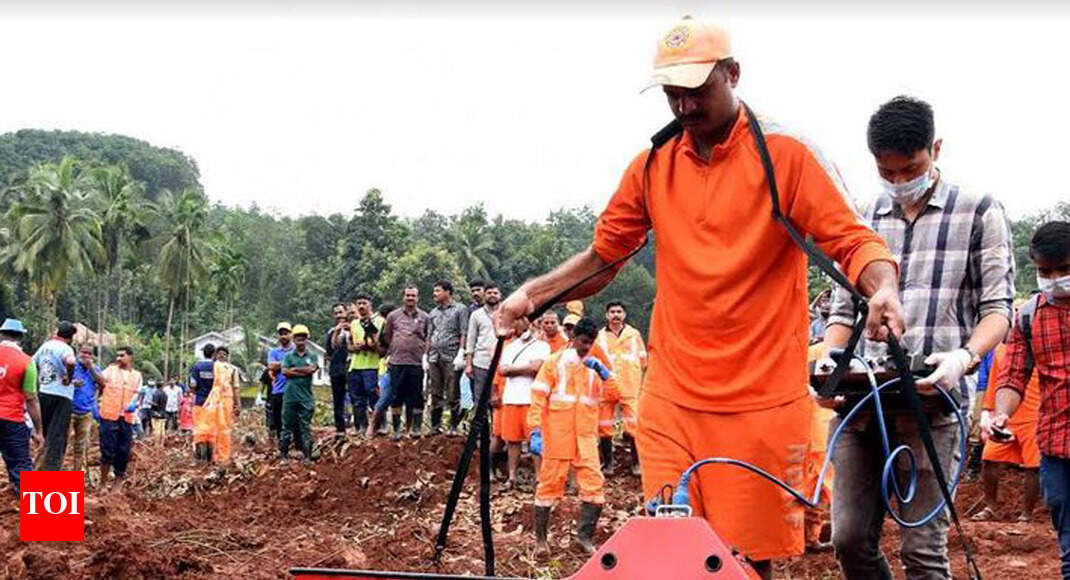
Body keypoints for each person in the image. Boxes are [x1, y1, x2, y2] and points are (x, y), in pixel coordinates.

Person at [496, 18, 903, 578]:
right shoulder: (652, 165)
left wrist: (883, 289)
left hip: (759, 401)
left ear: (733, 74)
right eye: (672, 94)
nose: (684, 106)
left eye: (697, 90)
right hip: (673, 399)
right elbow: (603, 257)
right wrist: (530, 297)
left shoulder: (786, 154)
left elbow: (853, 240)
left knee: (740, 562)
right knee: (671, 551)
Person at [823, 96, 1015, 579]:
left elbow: (998, 310)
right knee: (848, 540)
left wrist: (964, 357)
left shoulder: (978, 212)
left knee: (923, 552)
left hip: (935, 404)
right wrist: (830, 359)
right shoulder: (861, 217)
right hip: (862, 405)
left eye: (910, 168)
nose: (899, 181)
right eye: (886, 172)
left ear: (936, 149)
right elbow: (842, 309)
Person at [988, 221, 1070, 578]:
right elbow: (1013, 375)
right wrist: (1001, 414)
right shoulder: (1028, 316)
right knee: (1069, 543)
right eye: (1044, 272)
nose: (1053, 279)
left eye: (1064, 270)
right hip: (1056, 446)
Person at [527, 317, 618, 555]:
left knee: (594, 487)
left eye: (591, 342)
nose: (587, 347)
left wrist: (606, 375)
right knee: (548, 484)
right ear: (574, 338)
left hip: (585, 436)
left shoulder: (595, 367)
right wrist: (535, 429)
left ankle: (584, 539)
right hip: (558, 434)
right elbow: (538, 396)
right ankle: (541, 542)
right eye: (584, 341)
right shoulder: (554, 363)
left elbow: (614, 395)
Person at [973, 340, 1039, 522]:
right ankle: (991, 506)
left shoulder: (1042, 344)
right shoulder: (1003, 348)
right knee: (989, 457)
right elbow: (995, 379)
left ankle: (1027, 514)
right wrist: (987, 409)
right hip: (1006, 414)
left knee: (1033, 466)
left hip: (1035, 414)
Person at [494, 316, 550, 487]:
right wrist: (523, 368)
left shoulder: (542, 346)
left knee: (535, 440)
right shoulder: (510, 347)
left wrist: (513, 369)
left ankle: (540, 477)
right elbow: (502, 370)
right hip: (511, 398)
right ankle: (512, 476)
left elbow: (537, 368)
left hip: (532, 398)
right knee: (512, 440)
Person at [596, 301, 647, 476]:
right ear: (606, 315)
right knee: (604, 425)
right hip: (606, 386)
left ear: (624, 314)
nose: (615, 315)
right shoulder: (600, 336)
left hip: (629, 386)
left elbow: (643, 360)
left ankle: (637, 464)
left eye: (619, 311)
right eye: (612, 312)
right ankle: (608, 465)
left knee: (633, 425)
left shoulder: (634, 335)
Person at [0, 319, 42, 495]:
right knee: (22, 465)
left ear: (2, 335)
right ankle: (48, 519)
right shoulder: (26, 362)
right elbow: (31, 398)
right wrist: (39, 430)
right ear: (21, 338)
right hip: (11, 418)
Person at [381, 286, 429, 439]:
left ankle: (416, 429)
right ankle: (396, 429)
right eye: (408, 295)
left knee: (416, 396)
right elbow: (387, 336)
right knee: (397, 396)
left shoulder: (425, 317)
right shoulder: (393, 316)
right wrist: (397, 347)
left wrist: (424, 354)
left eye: (413, 296)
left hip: (416, 363)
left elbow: (428, 337)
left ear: (418, 298)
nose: (410, 298)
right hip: (397, 362)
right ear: (403, 297)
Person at [32, 320, 77, 470]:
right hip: (61, 396)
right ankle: (50, 479)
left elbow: (31, 363)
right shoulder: (66, 348)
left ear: (56, 332)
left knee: (43, 434)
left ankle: (33, 470)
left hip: (44, 393)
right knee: (57, 437)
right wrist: (69, 378)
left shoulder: (45, 346)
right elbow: (70, 362)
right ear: (70, 338)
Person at [426, 280, 469, 435]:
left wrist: (461, 352)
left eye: (438, 291)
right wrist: (426, 354)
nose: (435, 294)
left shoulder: (460, 309)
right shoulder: (433, 313)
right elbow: (430, 335)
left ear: (448, 292)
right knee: (435, 391)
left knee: (452, 392)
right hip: (434, 356)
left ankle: (453, 426)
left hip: (451, 355)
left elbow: (463, 332)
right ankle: (435, 425)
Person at [98, 346, 143, 490]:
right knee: (107, 449)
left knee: (123, 450)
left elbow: (138, 394)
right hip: (109, 416)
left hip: (127, 418)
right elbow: (100, 382)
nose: (118, 358)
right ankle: (103, 482)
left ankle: (117, 482)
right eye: (117, 355)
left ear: (130, 357)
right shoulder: (109, 371)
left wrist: (135, 404)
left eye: (122, 355)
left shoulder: (137, 375)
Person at [193, 346, 241, 464]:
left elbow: (193, 385)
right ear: (214, 354)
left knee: (204, 430)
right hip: (218, 402)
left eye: (224, 354)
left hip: (204, 402)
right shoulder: (219, 368)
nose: (221, 356)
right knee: (217, 429)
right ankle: (217, 457)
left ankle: (205, 458)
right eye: (219, 353)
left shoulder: (198, 367)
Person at [280, 325, 319, 461]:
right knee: (287, 426)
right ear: (294, 339)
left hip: (306, 397)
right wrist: (304, 370)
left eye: (303, 337)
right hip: (290, 397)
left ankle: (307, 456)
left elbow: (312, 369)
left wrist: (294, 370)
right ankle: (283, 456)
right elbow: (285, 372)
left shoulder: (312, 355)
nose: (300, 340)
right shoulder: (288, 356)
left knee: (305, 427)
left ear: (306, 339)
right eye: (297, 338)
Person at [349, 293, 384, 437]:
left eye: (364, 303)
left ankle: (379, 425)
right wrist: (355, 348)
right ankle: (361, 427)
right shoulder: (354, 323)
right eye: (359, 304)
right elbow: (349, 345)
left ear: (370, 304)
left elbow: (382, 346)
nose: (361, 306)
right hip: (355, 365)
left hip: (373, 365)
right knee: (357, 399)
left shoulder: (381, 322)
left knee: (373, 395)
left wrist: (370, 344)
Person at [69, 344, 104, 472]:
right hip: (69, 410)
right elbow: (62, 380)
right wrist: (72, 383)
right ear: (79, 353)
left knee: (81, 447)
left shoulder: (95, 369)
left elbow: (102, 383)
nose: (86, 356)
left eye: (89, 354)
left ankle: (77, 475)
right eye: (84, 352)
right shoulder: (72, 367)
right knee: (62, 443)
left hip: (86, 412)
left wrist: (91, 368)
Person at [325, 302, 352, 438]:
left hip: (352, 367)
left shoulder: (353, 328)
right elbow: (329, 351)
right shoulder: (331, 332)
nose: (338, 315)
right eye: (335, 313)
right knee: (338, 399)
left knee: (357, 397)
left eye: (340, 312)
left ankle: (359, 425)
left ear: (346, 312)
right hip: (336, 369)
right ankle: (340, 428)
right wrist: (336, 331)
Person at [267, 323, 295, 440]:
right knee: (278, 419)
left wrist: (280, 364)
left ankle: (295, 444)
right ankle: (281, 444)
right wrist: (289, 363)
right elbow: (271, 366)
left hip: (295, 390)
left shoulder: (297, 349)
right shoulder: (274, 352)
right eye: (281, 334)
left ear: (291, 334)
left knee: (294, 419)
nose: (283, 336)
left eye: (286, 333)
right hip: (279, 390)